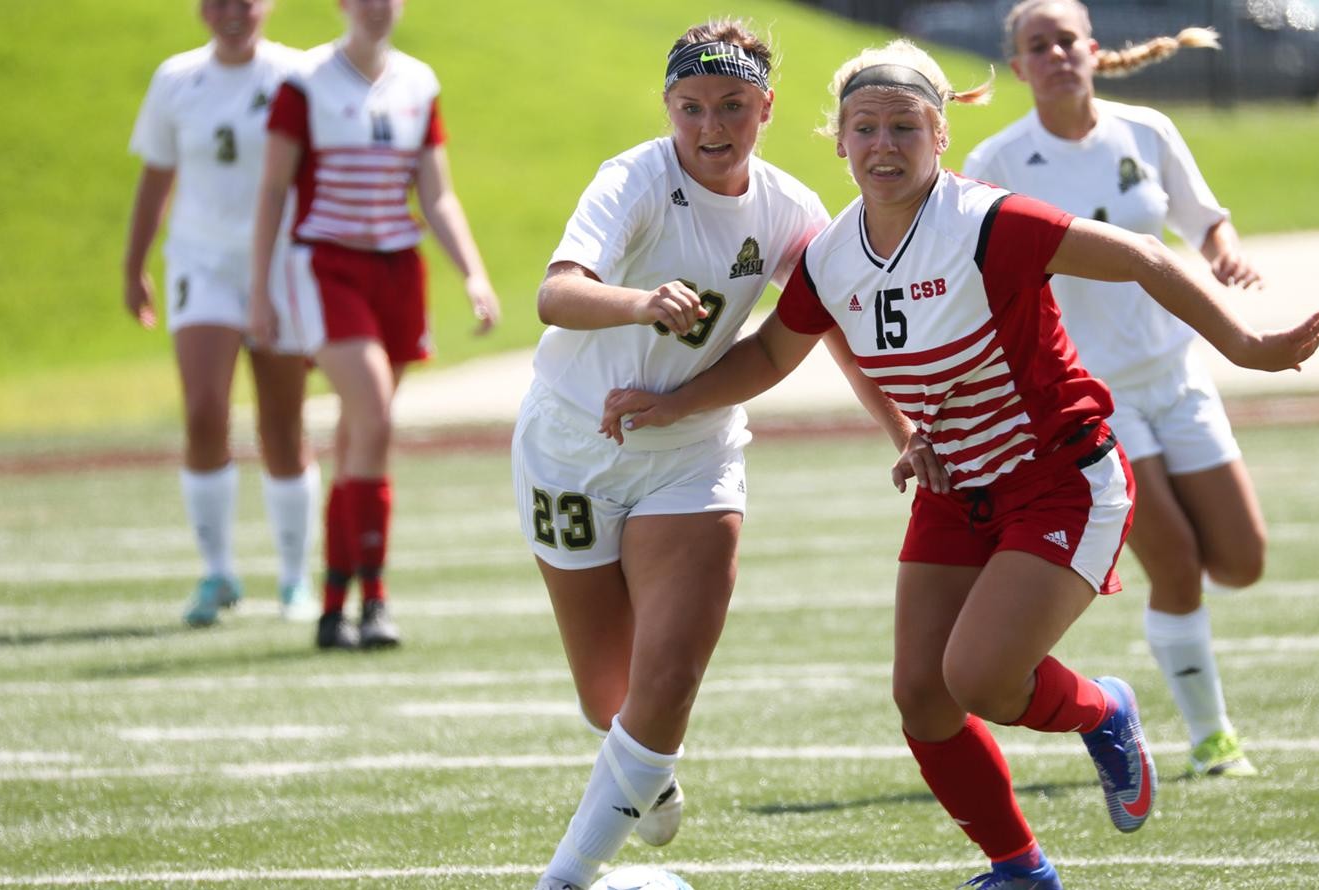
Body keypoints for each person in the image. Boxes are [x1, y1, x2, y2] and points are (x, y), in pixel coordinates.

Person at [600, 39, 1319, 889]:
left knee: (980, 677)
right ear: (836, 141)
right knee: (921, 694)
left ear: (939, 134)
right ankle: (1020, 869)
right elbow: (770, 354)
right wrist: (671, 401)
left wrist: (1247, 347)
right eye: (863, 128)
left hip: (1061, 473)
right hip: (955, 485)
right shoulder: (834, 255)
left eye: (903, 127)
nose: (883, 145)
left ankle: (1104, 710)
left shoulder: (988, 221)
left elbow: (1142, 256)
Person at [516, 20, 848, 890]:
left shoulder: (786, 209)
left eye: (732, 106)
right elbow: (556, 294)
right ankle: (645, 775)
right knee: (610, 698)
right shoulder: (632, 176)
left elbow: (830, 321)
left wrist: (906, 431)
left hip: (692, 452)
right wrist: (636, 304)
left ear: (764, 108)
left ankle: (563, 880)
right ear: (668, 107)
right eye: (691, 107)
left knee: (664, 682)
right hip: (570, 447)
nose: (712, 126)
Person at [962, 0, 1266, 778]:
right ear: (1020, 66)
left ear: (1093, 50)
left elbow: (1205, 220)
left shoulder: (1146, 130)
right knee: (1173, 567)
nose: (1056, 53)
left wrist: (1224, 255)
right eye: (1038, 45)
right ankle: (1212, 739)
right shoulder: (996, 162)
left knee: (1239, 560)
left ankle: (1195, 705)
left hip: (1177, 373)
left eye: (1067, 39)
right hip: (1093, 398)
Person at [250, 0, 499, 651]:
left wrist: (472, 273)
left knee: (364, 438)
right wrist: (259, 290)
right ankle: (376, 599)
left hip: (396, 270)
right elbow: (274, 189)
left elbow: (435, 193)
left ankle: (339, 607)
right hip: (326, 264)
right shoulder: (304, 82)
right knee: (374, 418)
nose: (375, 8)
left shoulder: (419, 82)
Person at [124, 0, 319, 628]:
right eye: (218, 2)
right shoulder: (176, 78)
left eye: (246, 2)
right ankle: (217, 571)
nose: (232, 13)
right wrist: (135, 264)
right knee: (205, 410)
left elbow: (328, 166)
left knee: (282, 426)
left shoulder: (301, 74)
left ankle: (294, 581)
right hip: (201, 263)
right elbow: (157, 175)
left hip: (283, 262)